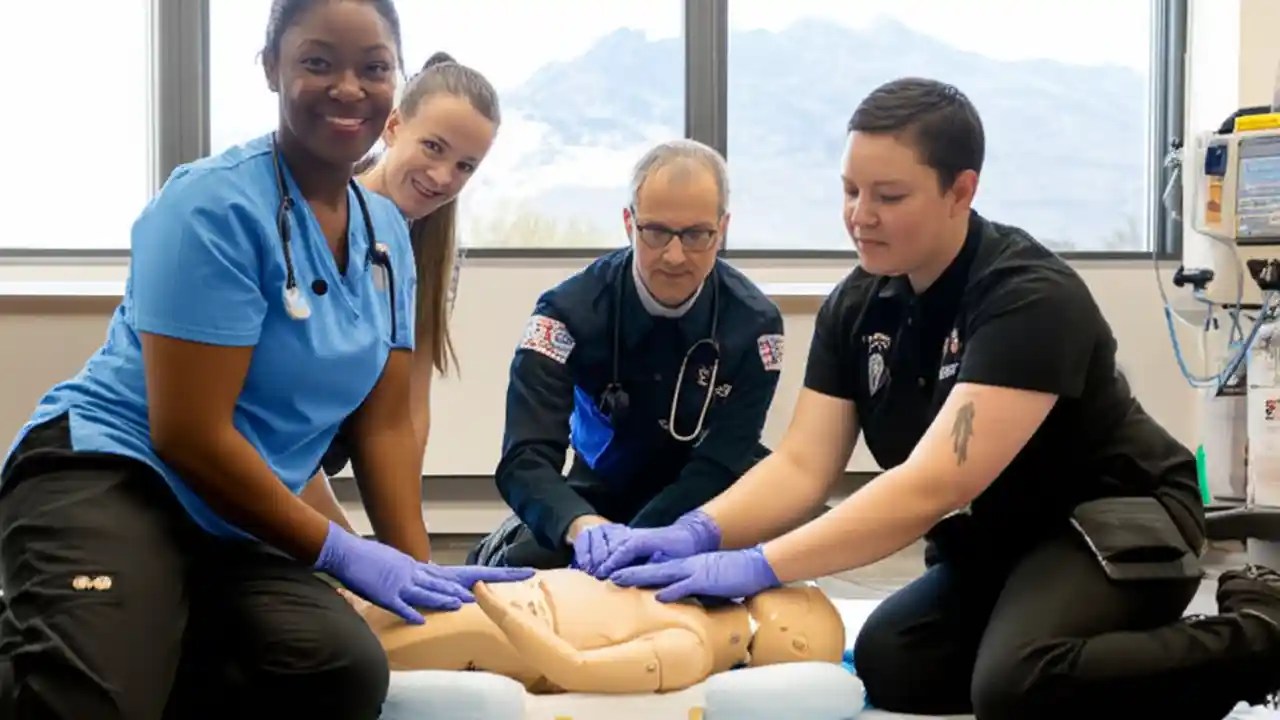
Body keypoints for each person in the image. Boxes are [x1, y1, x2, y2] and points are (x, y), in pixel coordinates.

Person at [590, 77, 1280, 719]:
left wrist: (761, 564)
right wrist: (697, 531)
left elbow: (933, 484)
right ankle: (1069, 636)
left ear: (961, 191)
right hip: (1003, 538)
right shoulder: (856, 306)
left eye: (889, 197)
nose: (860, 216)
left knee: (1018, 685)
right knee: (894, 665)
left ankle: (1261, 631)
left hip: (1115, 523)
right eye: (850, 191)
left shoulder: (1028, 295)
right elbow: (802, 466)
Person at [0, 2, 529, 719]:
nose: (349, 87)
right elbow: (189, 435)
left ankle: (134, 635)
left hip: (235, 518)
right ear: (272, 68)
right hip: (116, 474)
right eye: (318, 62)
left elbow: (385, 428)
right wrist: (340, 552)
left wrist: (415, 571)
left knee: (339, 672)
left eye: (373, 67)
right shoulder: (211, 204)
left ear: (394, 84)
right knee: (97, 702)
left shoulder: (385, 238)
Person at [466, 139, 786, 570]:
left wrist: (651, 538)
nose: (675, 256)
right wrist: (582, 526)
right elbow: (525, 459)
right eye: (655, 232)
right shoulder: (566, 314)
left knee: (792, 542)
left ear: (722, 228)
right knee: (518, 567)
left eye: (696, 235)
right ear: (628, 223)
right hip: (600, 494)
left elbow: (725, 455)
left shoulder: (756, 325)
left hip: (705, 497)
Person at [297, 50, 500, 536]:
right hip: (268, 462)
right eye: (432, 147)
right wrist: (350, 548)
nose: (444, 176)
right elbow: (276, 422)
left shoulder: (432, 254)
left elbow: (409, 411)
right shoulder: (314, 226)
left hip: (318, 461)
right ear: (392, 127)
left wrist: (407, 543)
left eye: (465, 166)